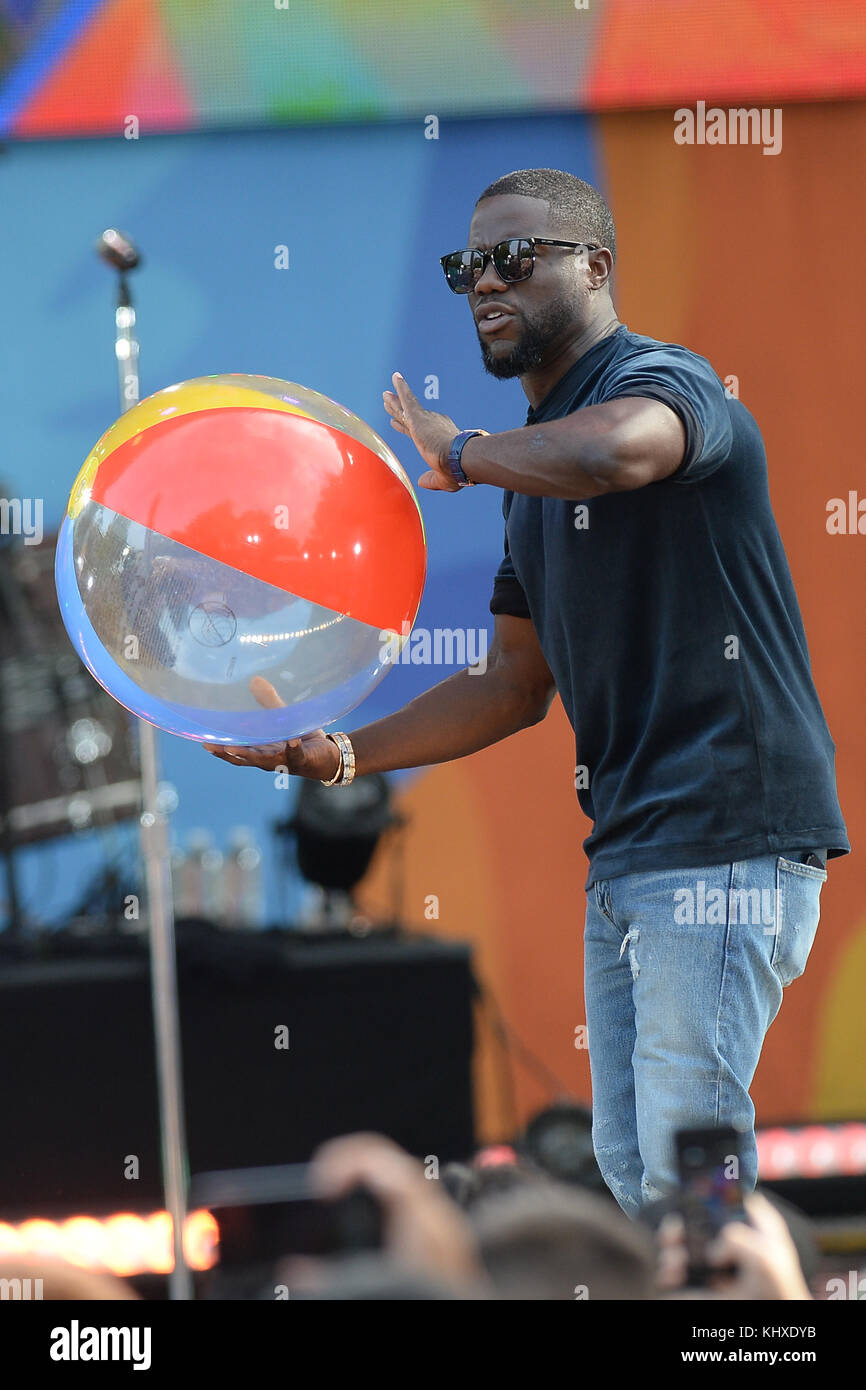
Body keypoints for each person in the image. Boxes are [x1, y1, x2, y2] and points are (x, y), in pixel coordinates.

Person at [206, 168, 848, 1218]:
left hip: (726, 830)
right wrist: (340, 752)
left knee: (692, 1161)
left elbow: (619, 450)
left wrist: (466, 452)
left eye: (517, 256)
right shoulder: (530, 483)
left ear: (594, 266)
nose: (484, 283)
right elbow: (510, 684)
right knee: (642, 1173)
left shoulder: (660, 381)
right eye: (467, 267)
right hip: (636, 843)